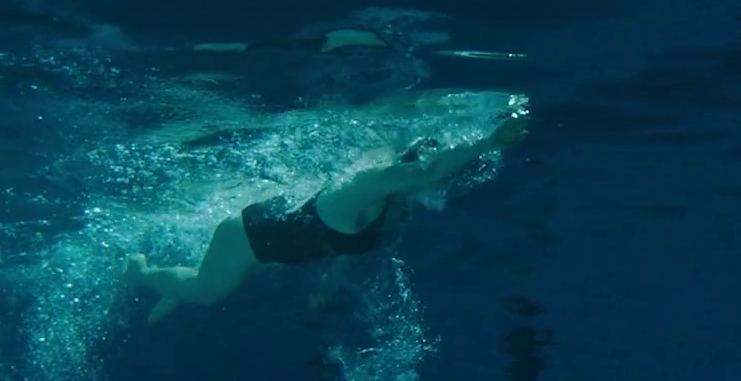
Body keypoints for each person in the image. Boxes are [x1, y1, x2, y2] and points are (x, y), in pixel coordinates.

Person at [124, 101, 528, 323]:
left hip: (278, 246)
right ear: (403, 173)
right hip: (244, 239)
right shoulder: (364, 186)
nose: (442, 184)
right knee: (208, 293)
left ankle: (179, 287)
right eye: (436, 177)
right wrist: (490, 142)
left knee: (228, 277)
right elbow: (429, 168)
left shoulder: (394, 204)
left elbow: (345, 242)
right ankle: (141, 272)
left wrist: (330, 278)